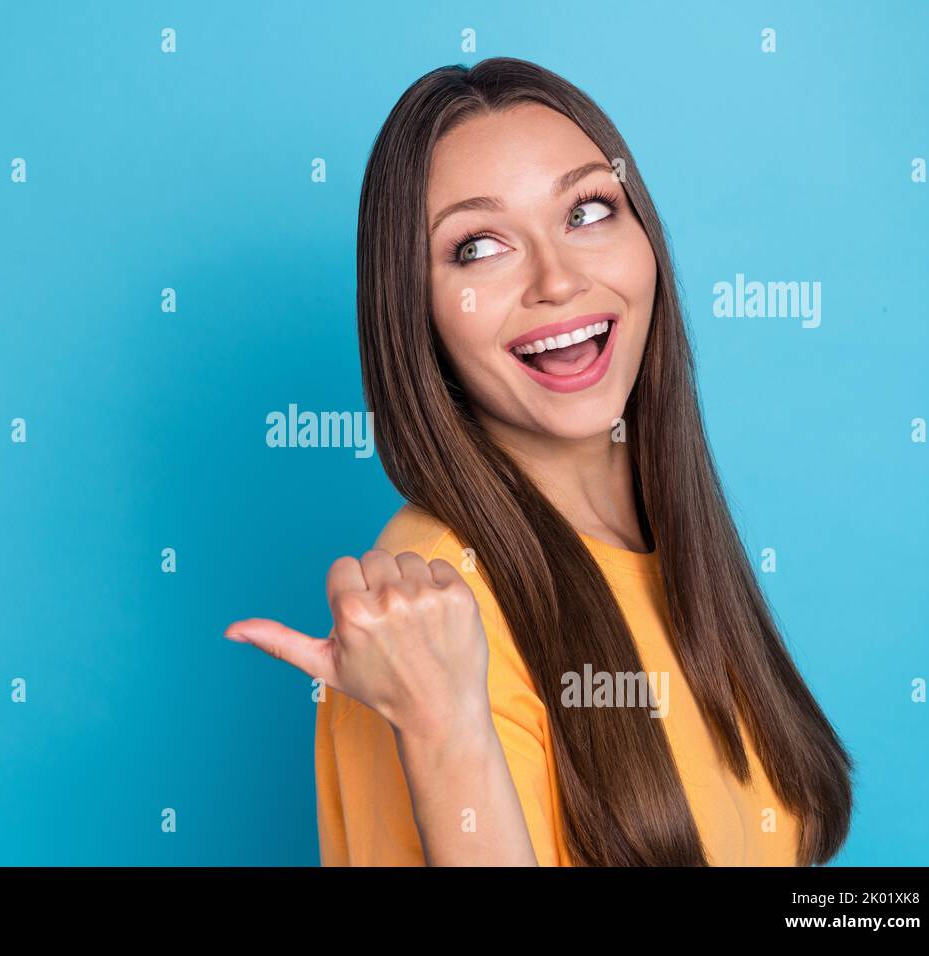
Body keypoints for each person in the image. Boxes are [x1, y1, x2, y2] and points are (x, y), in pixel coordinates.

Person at [225, 57, 853, 867]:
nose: (558, 280)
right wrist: (444, 730)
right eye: (478, 246)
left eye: (588, 210)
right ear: (413, 310)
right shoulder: (425, 608)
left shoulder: (674, 545)